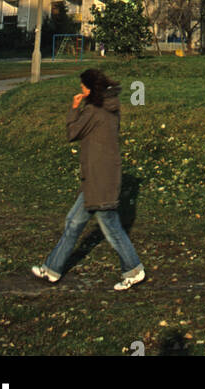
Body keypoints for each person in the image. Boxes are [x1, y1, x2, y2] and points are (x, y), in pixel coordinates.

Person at [32, 68, 145, 291]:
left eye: (83, 87)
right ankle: (52, 269)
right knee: (73, 223)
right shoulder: (111, 108)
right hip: (100, 176)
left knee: (111, 227)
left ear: (91, 88)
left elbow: (72, 133)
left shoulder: (93, 111)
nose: (81, 90)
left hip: (98, 179)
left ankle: (134, 269)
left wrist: (74, 108)